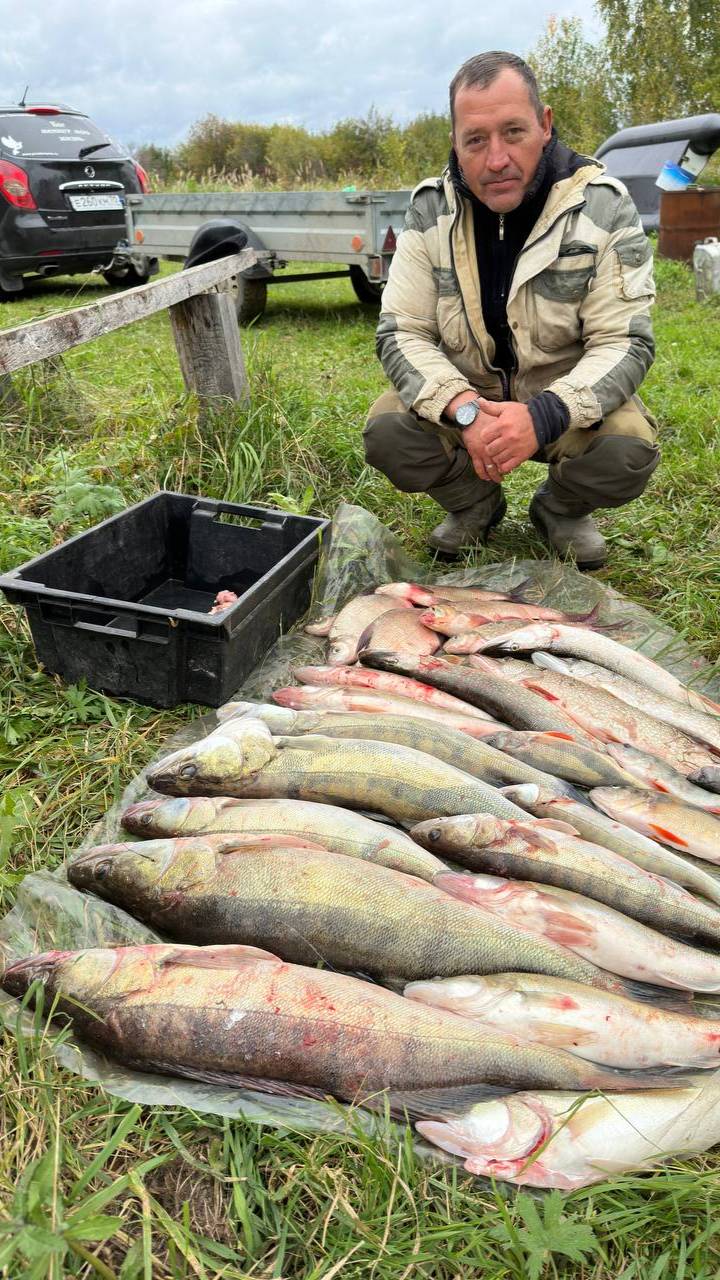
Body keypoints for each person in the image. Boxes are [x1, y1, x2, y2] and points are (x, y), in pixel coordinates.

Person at [363, 51, 659, 569]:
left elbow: (626, 341)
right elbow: (401, 332)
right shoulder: (430, 209)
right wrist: (465, 410)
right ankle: (474, 504)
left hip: (566, 405)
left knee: (628, 447)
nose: (496, 158)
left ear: (544, 125)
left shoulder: (603, 205)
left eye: (513, 132)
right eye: (476, 139)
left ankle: (561, 510)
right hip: (468, 400)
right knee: (389, 430)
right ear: (455, 142)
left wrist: (543, 415)